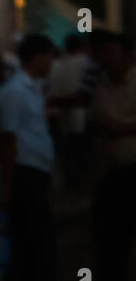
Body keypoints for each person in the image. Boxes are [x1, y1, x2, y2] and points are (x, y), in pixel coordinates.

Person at [0, 34, 66, 281]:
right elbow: (8, 140)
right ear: (35, 58)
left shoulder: (31, 90)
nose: (51, 62)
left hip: (35, 174)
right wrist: (8, 187)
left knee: (31, 244)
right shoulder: (15, 92)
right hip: (25, 176)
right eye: (48, 56)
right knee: (36, 244)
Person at [90, 29, 136, 281]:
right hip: (111, 174)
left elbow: (108, 123)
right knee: (111, 239)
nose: (106, 58)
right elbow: (99, 121)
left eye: (111, 52)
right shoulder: (101, 86)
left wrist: (117, 127)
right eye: (103, 53)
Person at [48, 34, 96, 192]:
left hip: (62, 117)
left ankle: (70, 186)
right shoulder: (87, 63)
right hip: (84, 117)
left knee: (68, 155)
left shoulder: (57, 65)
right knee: (82, 156)